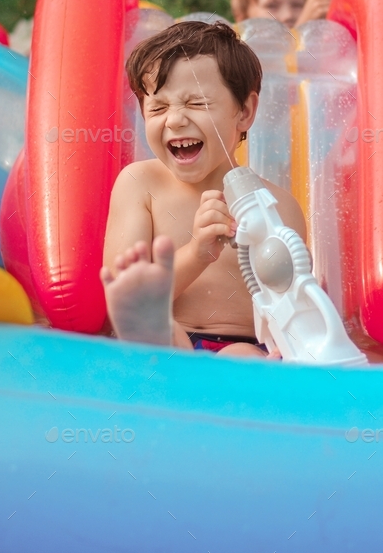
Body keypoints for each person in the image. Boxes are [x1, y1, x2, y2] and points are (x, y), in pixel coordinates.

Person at [100, 21, 306, 358]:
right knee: (161, 335)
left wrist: (290, 342)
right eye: (158, 107)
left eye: (196, 104)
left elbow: (293, 307)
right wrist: (198, 254)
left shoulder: (278, 207)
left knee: (243, 357)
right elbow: (125, 297)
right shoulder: (140, 185)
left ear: (245, 111)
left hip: (247, 346)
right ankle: (162, 340)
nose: (175, 120)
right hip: (167, 336)